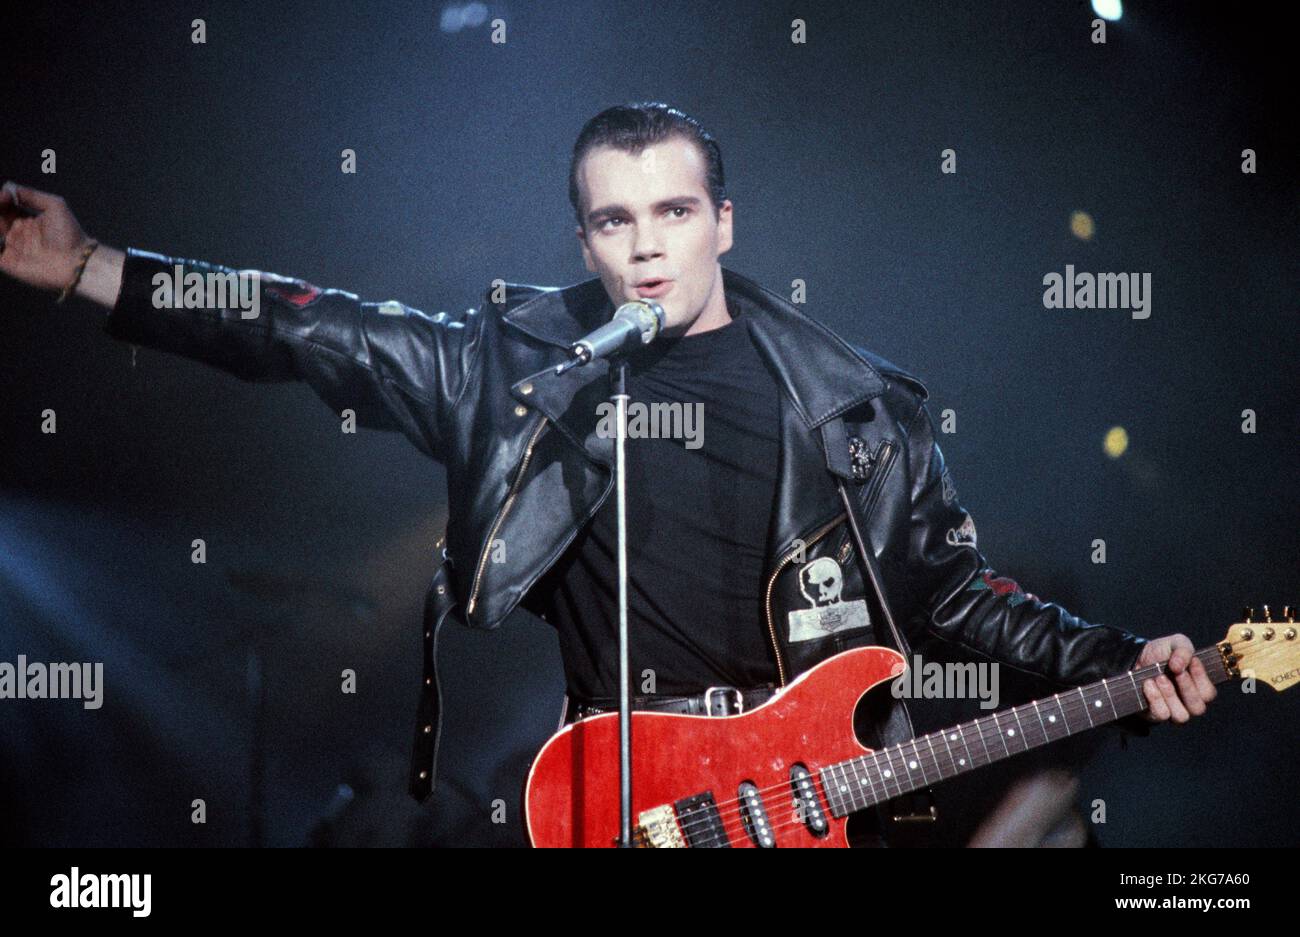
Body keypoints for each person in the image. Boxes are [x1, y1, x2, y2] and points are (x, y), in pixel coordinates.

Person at [0, 102, 1217, 846]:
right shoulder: (526, 368)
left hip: (806, 803)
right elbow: (317, 328)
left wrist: (1122, 661)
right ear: (581, 237)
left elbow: (956, 598)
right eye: (615, 221)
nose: (646, 247)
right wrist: (98, 266)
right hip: (619, 801)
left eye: (674, 213)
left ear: (724, 223)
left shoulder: (856, 401)